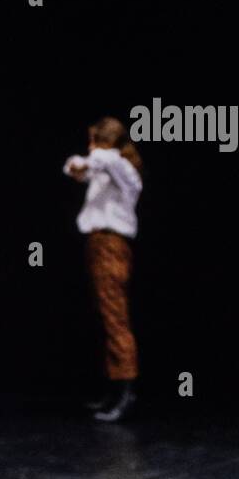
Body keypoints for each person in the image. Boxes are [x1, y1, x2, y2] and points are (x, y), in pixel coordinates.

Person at [64, 115, 144, 422]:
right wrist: (78, 165)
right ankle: (114, 388)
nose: (90, 147)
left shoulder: (123, 169)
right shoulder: (104, 167)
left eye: (93, 139)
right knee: (105, 315)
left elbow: (101, 159)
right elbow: (78, 166)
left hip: (112, 245)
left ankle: (126, 390)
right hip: (98, 244)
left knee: (115, 316)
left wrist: (92, 157)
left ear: (106, 142)